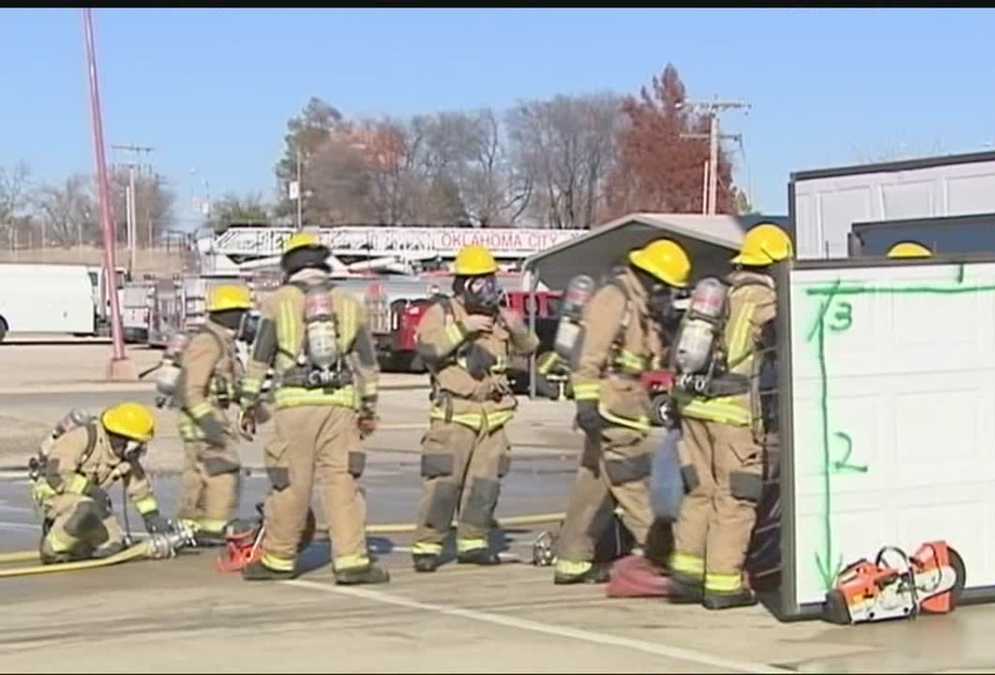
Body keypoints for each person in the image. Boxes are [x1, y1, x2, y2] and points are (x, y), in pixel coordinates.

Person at [237, 231, 388, 585]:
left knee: (290, 483)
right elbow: (367, 362)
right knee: (342, 485)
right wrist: (368, 407)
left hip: (294, 407)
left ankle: (278, 558)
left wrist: (248, 403)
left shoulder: (279, 301)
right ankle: (352, 561)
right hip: (340, 407)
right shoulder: (349, 302)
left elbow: (261, 356)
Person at [667, 223, 792, 610]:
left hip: (693, 407)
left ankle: (687, 573)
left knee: (699, 491)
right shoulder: (765, 301)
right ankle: (723, 582)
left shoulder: (719, 296)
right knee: (735, 496)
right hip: (733, 414)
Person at [554, 238, 692, 584]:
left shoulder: (638, 306)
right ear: (654, 279)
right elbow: (589, 355)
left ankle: (571, 561)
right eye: (667, 288)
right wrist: (586, 403)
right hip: (612, 411)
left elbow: (647, 360)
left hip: (626, 407)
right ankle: (664, 555)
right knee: (634, 486)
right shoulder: (614, 298)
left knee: (592, 488)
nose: (668, 296)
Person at [410, 244, 539, 572]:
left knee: (485, 486)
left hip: (492, 419)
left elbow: (530, 351)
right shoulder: (443, 313)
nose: (487, 290)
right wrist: (464, 329)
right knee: (443, 487)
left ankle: (473, 542)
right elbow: (428, 349)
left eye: (490, 281)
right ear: (462, 284)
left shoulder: (499, 318)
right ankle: (428, 546)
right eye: (478, 282)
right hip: (454, 416)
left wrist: (517, 327)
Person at [29, 402, 165, 563]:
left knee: (113, 546)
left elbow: (139, 487)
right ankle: (52, 548)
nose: (141, 448)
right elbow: (56, 475)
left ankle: (76, 545)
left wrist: (152, 517)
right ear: (124, 438)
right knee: (85, 509)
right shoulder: (81, 439)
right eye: (139, 443)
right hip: (53, 493)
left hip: (89, 501)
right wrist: (90, 489)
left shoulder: (123, 455)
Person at [175, 285, 254, 546]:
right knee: (222, 471)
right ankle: (214, 527)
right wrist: (209, 424)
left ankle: (191, 525)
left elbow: (230, 383)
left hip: (204, 418)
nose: (245, 319)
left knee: (200, 474)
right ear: (231, 314)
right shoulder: (208, 342)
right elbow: (192, 389)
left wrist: (252, 410)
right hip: (203, 419)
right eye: (242, 313)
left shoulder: (222, 341)